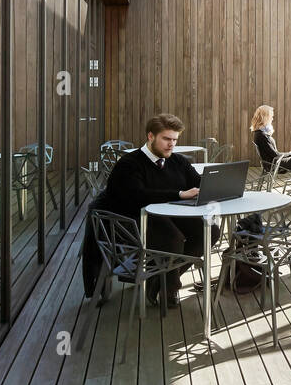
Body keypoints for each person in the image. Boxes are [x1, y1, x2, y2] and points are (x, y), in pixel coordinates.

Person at [93, 113, 218, 305]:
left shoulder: (178, 161)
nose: (171, 144)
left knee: (210, 230)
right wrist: (178, 194)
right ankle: (169, 288)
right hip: (133, 222)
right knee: (173, 238)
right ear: (151, 136)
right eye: (166, 139)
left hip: (170, 216)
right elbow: (137, 196)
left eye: (174, 140)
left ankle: (159, 281)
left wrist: (217, 186)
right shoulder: (129, 163)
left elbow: (198, 183)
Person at [250, 104, 291, 176]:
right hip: (274, 164)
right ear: (265, 117)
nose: (272, 119)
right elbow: (275, 155)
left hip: (274, 162)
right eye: (271, 116)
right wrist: (289, 154)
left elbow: (273, 154)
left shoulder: (260, 133)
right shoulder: (261, 135)